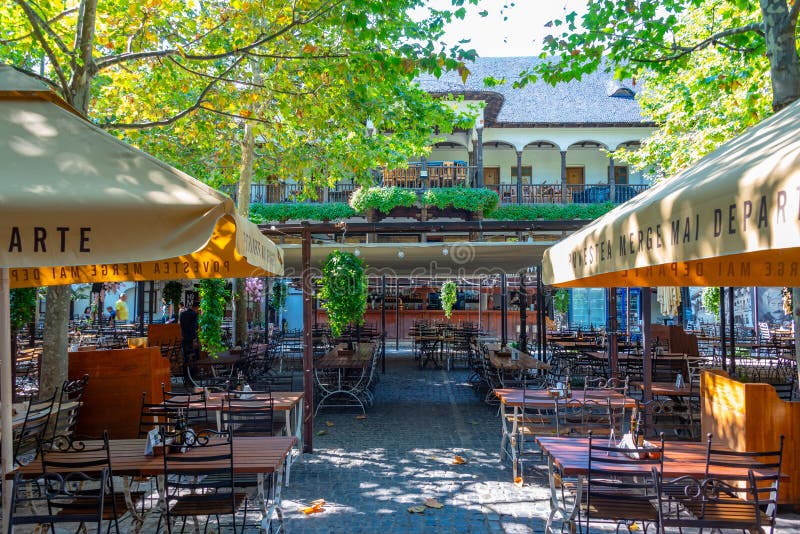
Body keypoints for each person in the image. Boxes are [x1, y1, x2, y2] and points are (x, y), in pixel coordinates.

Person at [179, 301, 200, 382]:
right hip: (192, 339)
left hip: (184, 339)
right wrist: (194, 340)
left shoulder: (183, 314)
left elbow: (181, 326)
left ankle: (186, 377)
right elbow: (194, 327)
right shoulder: (194, 315)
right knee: (195, 358)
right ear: (197, 307)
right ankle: (192, 376)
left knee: (186, 358)